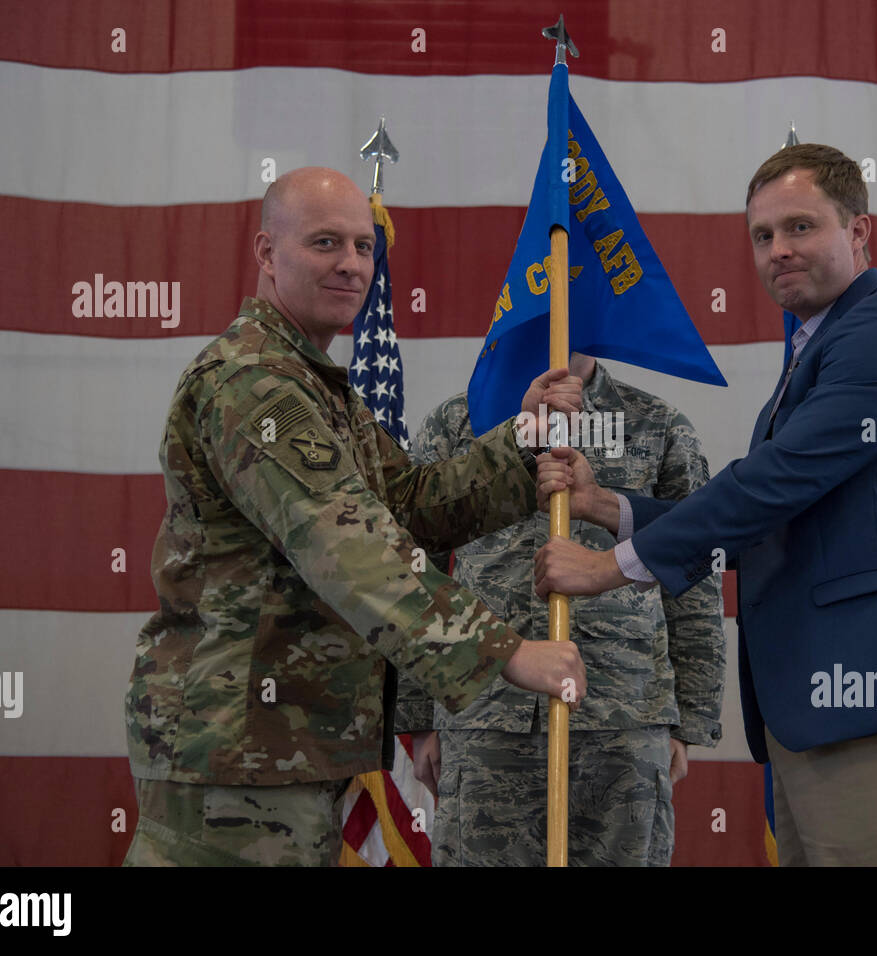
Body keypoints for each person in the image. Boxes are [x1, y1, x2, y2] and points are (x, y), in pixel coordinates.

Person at [532, 144, 877, 866]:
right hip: (818, 708)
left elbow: (772, 485)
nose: (779, 250)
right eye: (763, 235)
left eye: (801, 227)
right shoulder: (817, 352)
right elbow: (771, 521)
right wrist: (605, 505)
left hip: (871, 697)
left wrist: (607, 569)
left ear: (860, 232)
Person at [122, 166, 587, 867]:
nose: (351, 264)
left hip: (280, 743)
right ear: (266, 252)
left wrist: (521, 444)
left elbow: (410, 509)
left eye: (364, 247)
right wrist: (505, 652)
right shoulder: (252, 384)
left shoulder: (314, 385)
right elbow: (344, 541)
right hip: (235, 750)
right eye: (324, 243)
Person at [397, 355, 725, 866]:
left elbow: (696, 575)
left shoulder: (657, 423)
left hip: (624, 717)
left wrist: (688, 721)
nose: (559, 296)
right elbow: (418, 570)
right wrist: (419, 717)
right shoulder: (459, 422)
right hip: (485, 716)